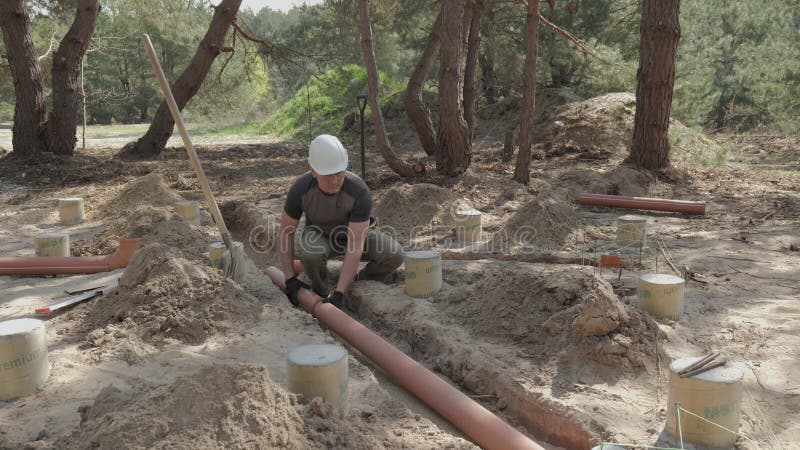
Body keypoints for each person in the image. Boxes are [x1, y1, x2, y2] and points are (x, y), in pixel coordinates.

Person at [277, 134, 404, 308]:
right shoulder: (301, 189)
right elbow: (286, 232)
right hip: (319, 234)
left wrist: (340, 292)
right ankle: (321, 290)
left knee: (394, 255)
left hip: (352, 236)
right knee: (310, 256)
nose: (336, 180)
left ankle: (359, 283)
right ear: (313, 171)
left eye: (340, 173)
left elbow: (355, 246)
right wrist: (290, 278)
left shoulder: (359, 191)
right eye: (329, 175)